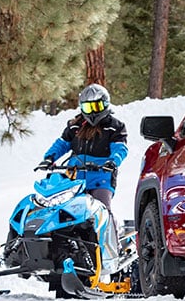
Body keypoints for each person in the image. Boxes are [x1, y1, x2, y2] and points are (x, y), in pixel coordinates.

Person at [40, 84, 128, 213]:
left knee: (102, 210)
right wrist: (49, 158)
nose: (92, 112)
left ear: (105, 104)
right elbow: (62, 144)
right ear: (82, 107)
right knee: (64, 211)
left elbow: (120, 148)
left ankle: (112, 230)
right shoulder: (75, 125)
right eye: (88, 107)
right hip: (75, 179)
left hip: (101, 178)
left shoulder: (115, 126)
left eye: (96, 106)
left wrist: (113, 161)